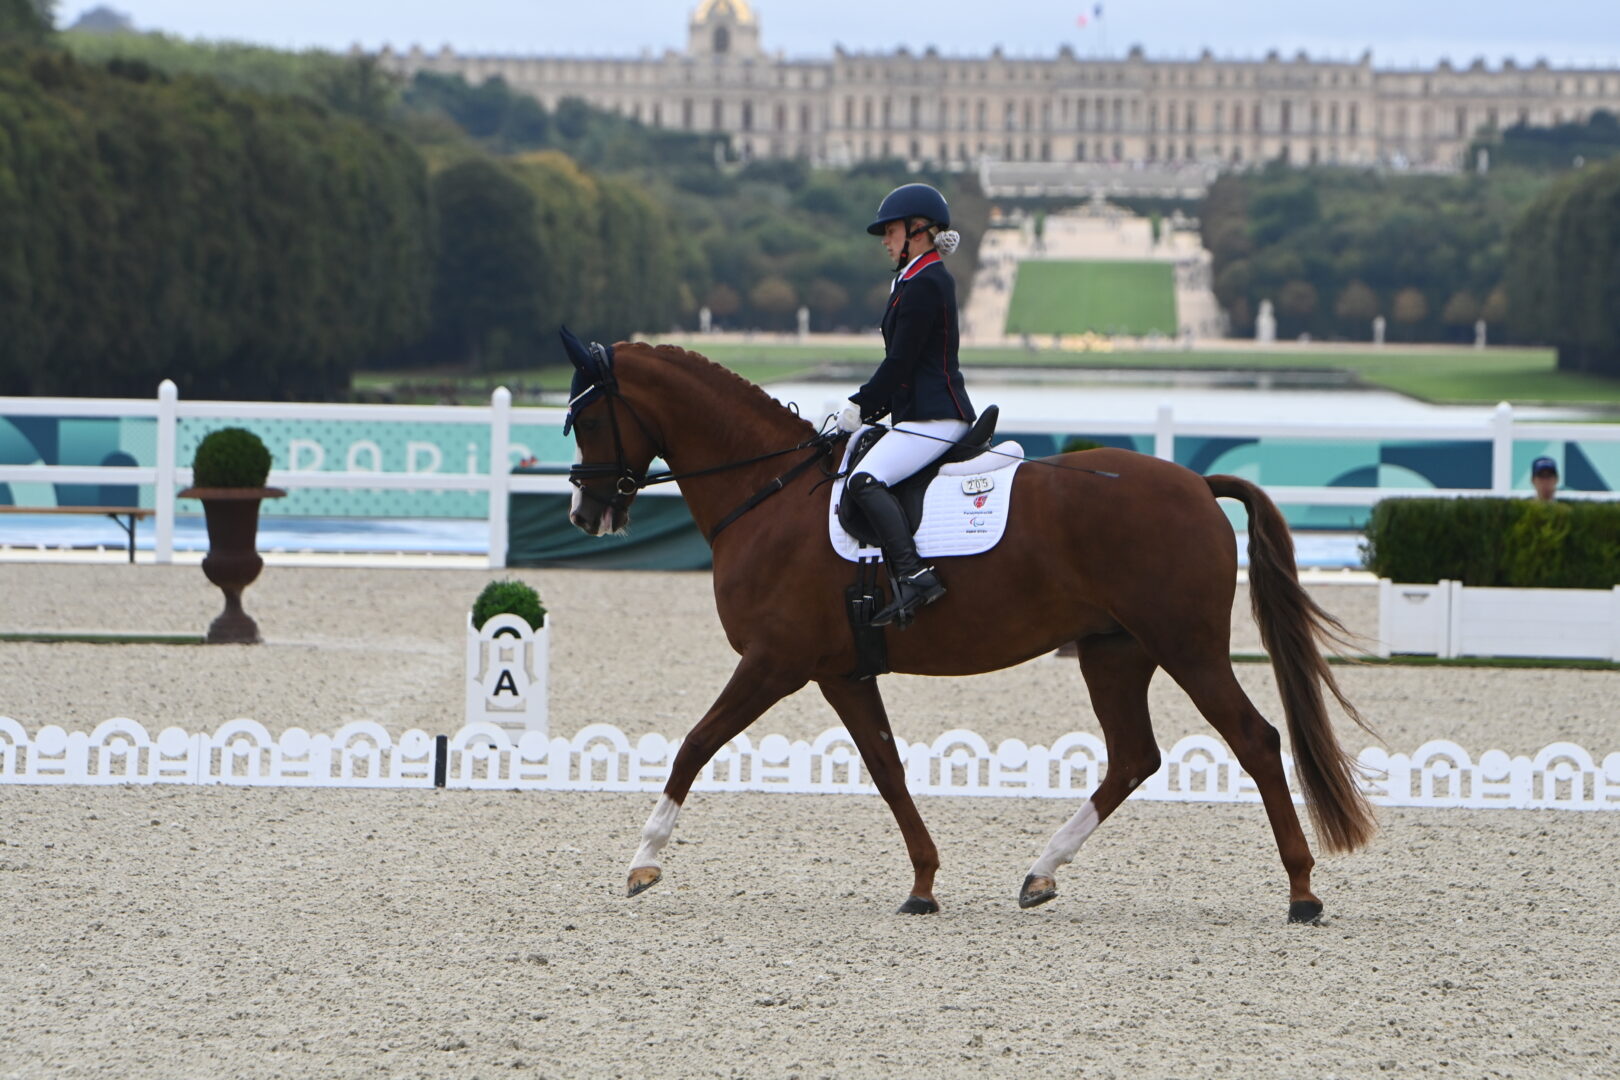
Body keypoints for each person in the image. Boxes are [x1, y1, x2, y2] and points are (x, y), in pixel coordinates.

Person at [836, 183, 977, 628]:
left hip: (935, 415)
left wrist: (861, 405)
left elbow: (901, 362)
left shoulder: (926, 282)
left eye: (891, 230)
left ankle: (914, 574)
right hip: (921, 411)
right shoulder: (914, 278)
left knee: (864, 479)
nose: (885, 240)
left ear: (918, 230)